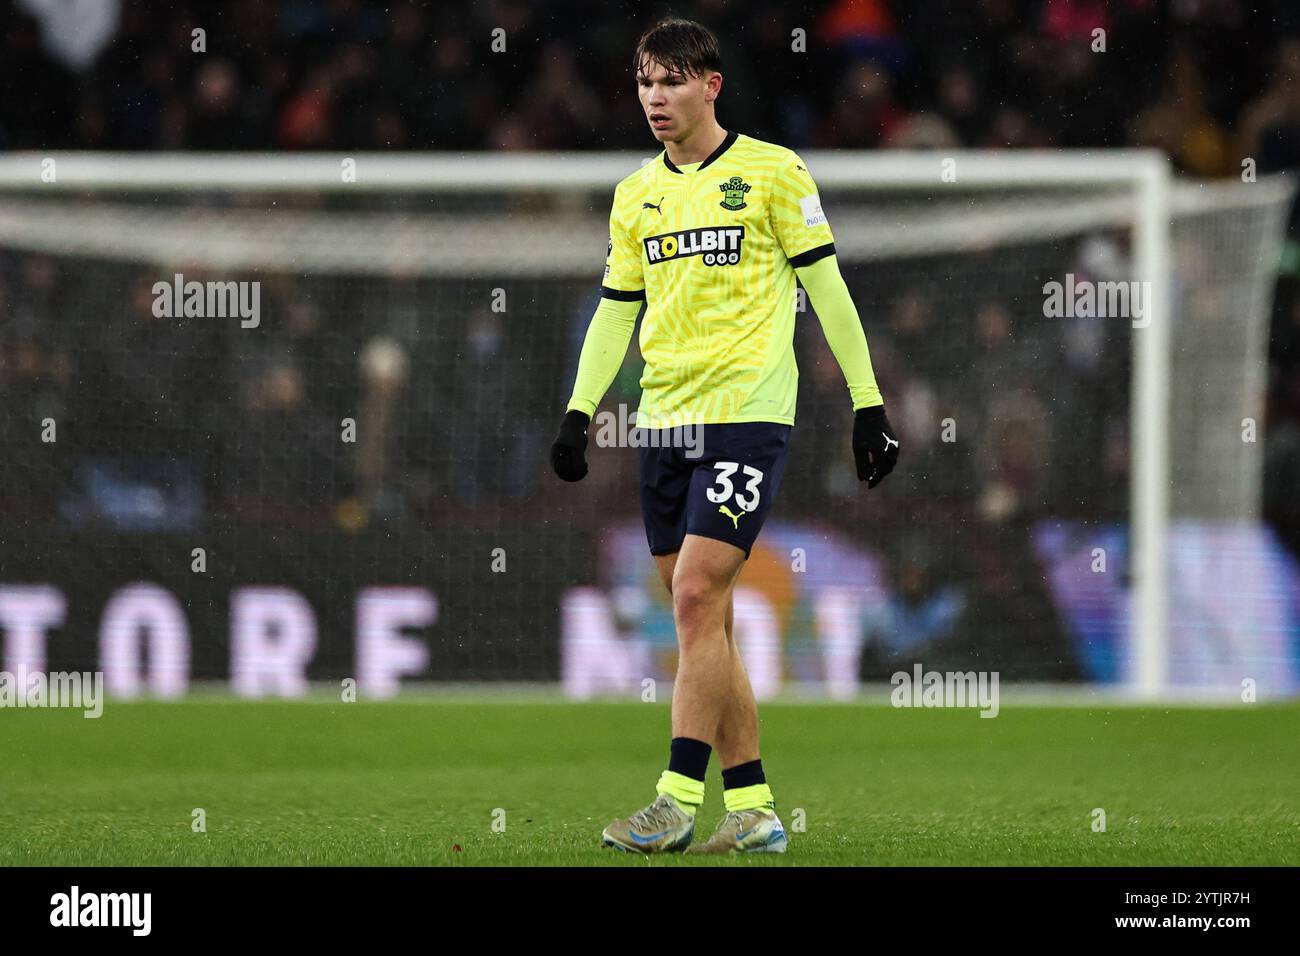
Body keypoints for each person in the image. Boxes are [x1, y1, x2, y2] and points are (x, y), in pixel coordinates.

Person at [550, 17, 899, 854]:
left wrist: (868, 402)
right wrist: (578, 409)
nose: (654, 98)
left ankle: (674, 801)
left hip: (748, 416)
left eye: (671, 81)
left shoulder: (774, 173)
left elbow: (831, 292)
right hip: (662, 422)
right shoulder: (637, 193)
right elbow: (614, 312)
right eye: (643, 83)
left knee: (699, 596)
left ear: (712, 85)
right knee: (705, 619)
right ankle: (755, 808)